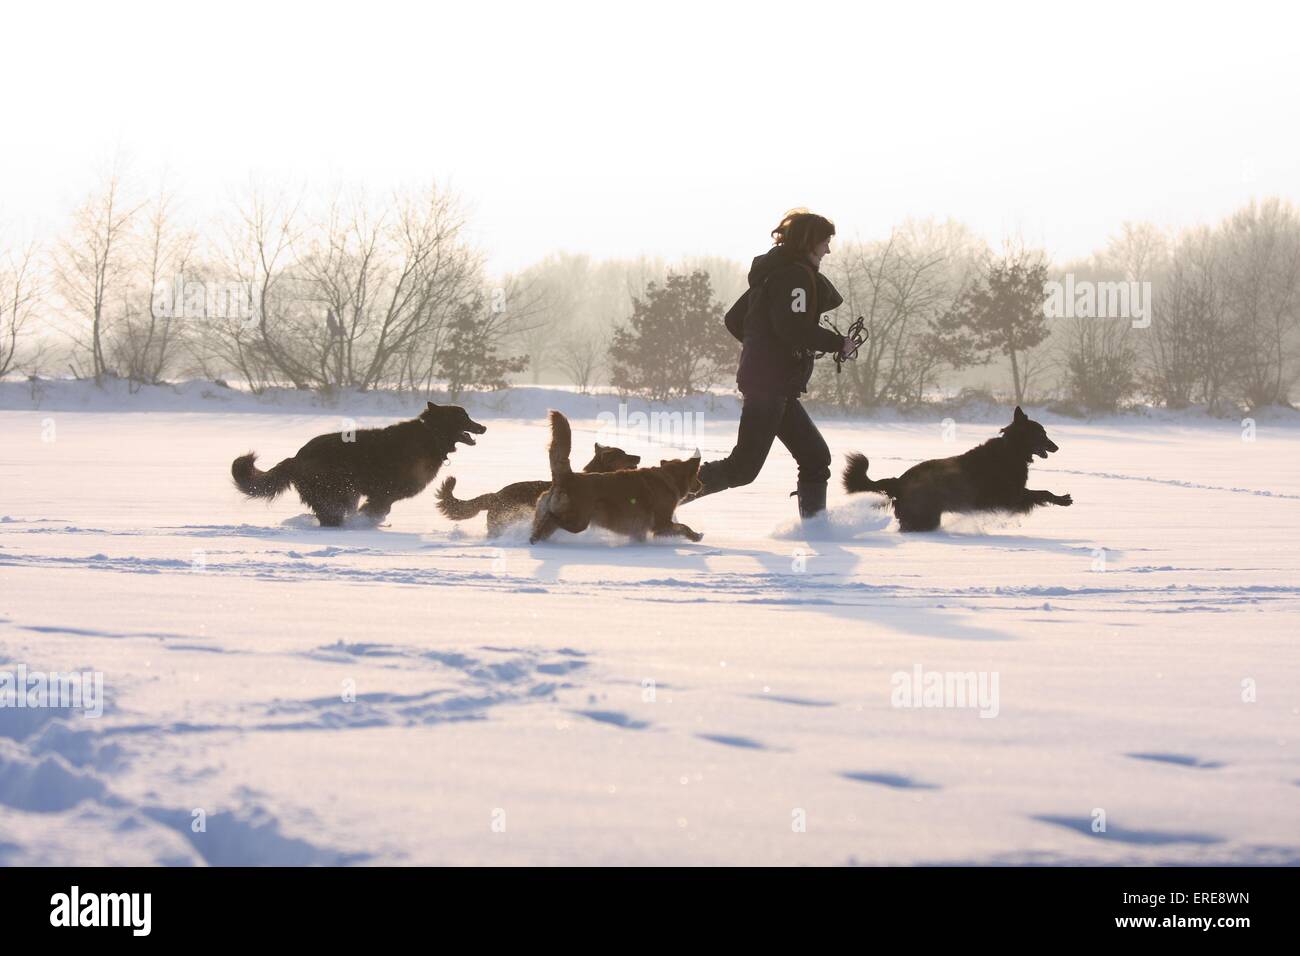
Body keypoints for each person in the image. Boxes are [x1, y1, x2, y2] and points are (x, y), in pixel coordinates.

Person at [684, 209, 855, 519]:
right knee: (743, 469)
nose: (828, 249)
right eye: (825, 242)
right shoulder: (796, 277)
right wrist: (836, 343)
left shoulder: (773, 274)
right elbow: (794, 328)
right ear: (808, 242)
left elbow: (737, 319)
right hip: (769, 386)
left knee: (816, 458)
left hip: (776, 385)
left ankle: (815, 529)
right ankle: (658, 494)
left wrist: (763, 348)